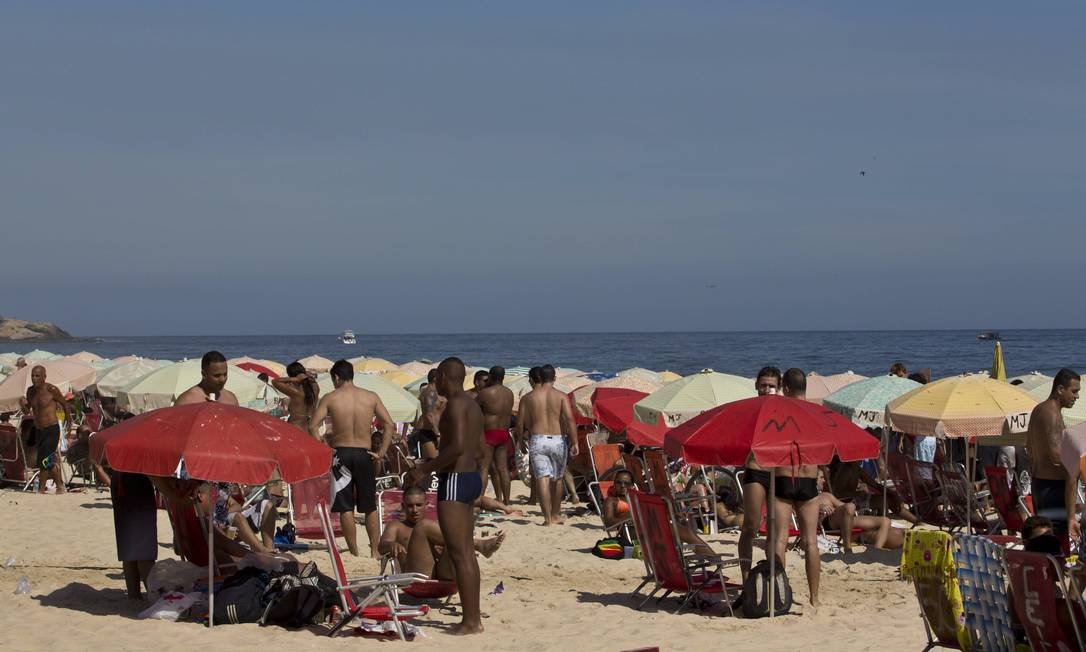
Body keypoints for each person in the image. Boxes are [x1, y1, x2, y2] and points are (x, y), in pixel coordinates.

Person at [405, 357, 485, 635]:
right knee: (466, 553)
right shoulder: (473, 405)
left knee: (459, 553)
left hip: (455, 480)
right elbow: (480, 450)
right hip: (470, 477)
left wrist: (423, 470)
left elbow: (456, 448)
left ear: (441, 376)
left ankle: (471, 621)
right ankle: (472, 617)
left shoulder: (456, 405)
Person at [310, 359, 396, 558]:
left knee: (345, 506)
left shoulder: (330, 398)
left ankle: (355, 552)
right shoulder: (371, 397)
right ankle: (374, 551)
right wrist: (382, 452)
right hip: (365, 454)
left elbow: (313, 426)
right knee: (369, 506)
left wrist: (324, 449)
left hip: (341, 453)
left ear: (337, 377)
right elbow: (389, 425)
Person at [774, 368, 823, 607]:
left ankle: (780, 595)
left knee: (780, 540)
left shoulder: (779, 412)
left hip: (783, 477)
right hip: (808, 480)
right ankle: (814, 598)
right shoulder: (817, 413)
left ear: (785, 388)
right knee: (811, 542)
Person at [379, 486, 504, 579]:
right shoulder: (396, 525)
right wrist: (391, 545)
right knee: (423, 526)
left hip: (443, 574)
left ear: (426, 505)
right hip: (416, 576)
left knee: (451, 534)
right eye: (410, 506)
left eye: (419, 505)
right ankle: (478, 544)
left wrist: (443, 548)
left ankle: (478, 546)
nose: (414, 510)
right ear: (403, 506)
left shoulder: (436, 526)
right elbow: (381, 547)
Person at [515, 364, 579, 526]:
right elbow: (570, 420)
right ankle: (555, 515)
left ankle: (547, 519)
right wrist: (575, 441)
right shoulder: (561, 396)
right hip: (558, 440)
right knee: (557, 480)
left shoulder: (527, 398)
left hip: (537, 440)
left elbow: (519, 423)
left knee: (541, 479)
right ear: (555, 378)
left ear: (540, 378)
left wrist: (520, 441)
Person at [1025, 368, 1081, 543]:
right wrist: (1080, 465)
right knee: (1057, 540)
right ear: (1060, 389)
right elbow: (1057, 456)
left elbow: (1029, 447)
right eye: (1074, 391)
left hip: (1040, 484)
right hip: (1053, 487)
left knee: (1045, 538)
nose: (1077, 396)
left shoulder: (1039, 409)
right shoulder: (1052, 414)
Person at [602, 469, 715, 554]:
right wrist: (631, 517)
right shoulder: (611, 501)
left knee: (682, 528)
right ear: (614, 484)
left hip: (649, 528)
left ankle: (708, 558)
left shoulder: (638, 497)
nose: (622, 486)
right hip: (633, 533)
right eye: (619, 482)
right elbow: (608, 523)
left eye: (626, 483)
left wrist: (674, 515)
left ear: (632, 485)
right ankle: (713, 558)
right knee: (678, 530)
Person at [738, 366, 781, 580]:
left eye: (771, 386)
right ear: (756, 386)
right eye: (763, 385)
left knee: (775, 528)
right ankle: (746, 578)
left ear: (778, 388)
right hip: (756, 468)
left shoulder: (783, 411)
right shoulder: (749, 409)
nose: (767, 390)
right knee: (751, 525)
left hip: (778, 472)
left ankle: (773, 576)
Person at [18, 365, 73, 494]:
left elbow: (65, 404)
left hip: (52, 429)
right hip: (39, 430)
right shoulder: (30, 392)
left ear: (44, 377)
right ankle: (60, 486)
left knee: (45, 459)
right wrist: (22, 404)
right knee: (45, 460)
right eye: (32, 376)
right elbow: (28, 409)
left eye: (37, 376)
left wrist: (68, 422)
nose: (34, 378)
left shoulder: (51, 389)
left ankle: (41, 489)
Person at [814, 491, 903, 552]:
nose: (824, 480)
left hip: (846, 519)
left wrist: (857, 501)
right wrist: (819, 506)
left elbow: (842, 505)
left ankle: (877, 550)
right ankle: (847, 548)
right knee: (850, 507)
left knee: (885, 521)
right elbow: (805, 511)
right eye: (821, 478)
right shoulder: (809, 499)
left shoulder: (826, 495)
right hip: (828, 522)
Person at [477, 366, 515, 506]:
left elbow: (473, 408)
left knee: (484, 468)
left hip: (489, 433)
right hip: (504, 433)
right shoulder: (509, 393)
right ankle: (507, 501)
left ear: (491, 376)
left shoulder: (485, 393)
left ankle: (479, 499)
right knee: (503, 468)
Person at [175, 351, 239, 406]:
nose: (222, 379)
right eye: (217, 375)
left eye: (225, 374)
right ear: (204, 374)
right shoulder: (187, 400)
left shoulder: (231, 399)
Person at [272, 361, 320, 430]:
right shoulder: (315, 389)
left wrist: (296, 379)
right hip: (310, 430)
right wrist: (307, 375)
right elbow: (313, 381)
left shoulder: (296, 393)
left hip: (295, 429)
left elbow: (275, 381)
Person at [409, 369, 445, 461]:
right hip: (432, 432)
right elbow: (429, 415)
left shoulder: (432, 392)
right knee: (435, 463)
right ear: (435, 378)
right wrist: (438, 435)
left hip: (434, 432)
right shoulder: (430, 393)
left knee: (435, 463)